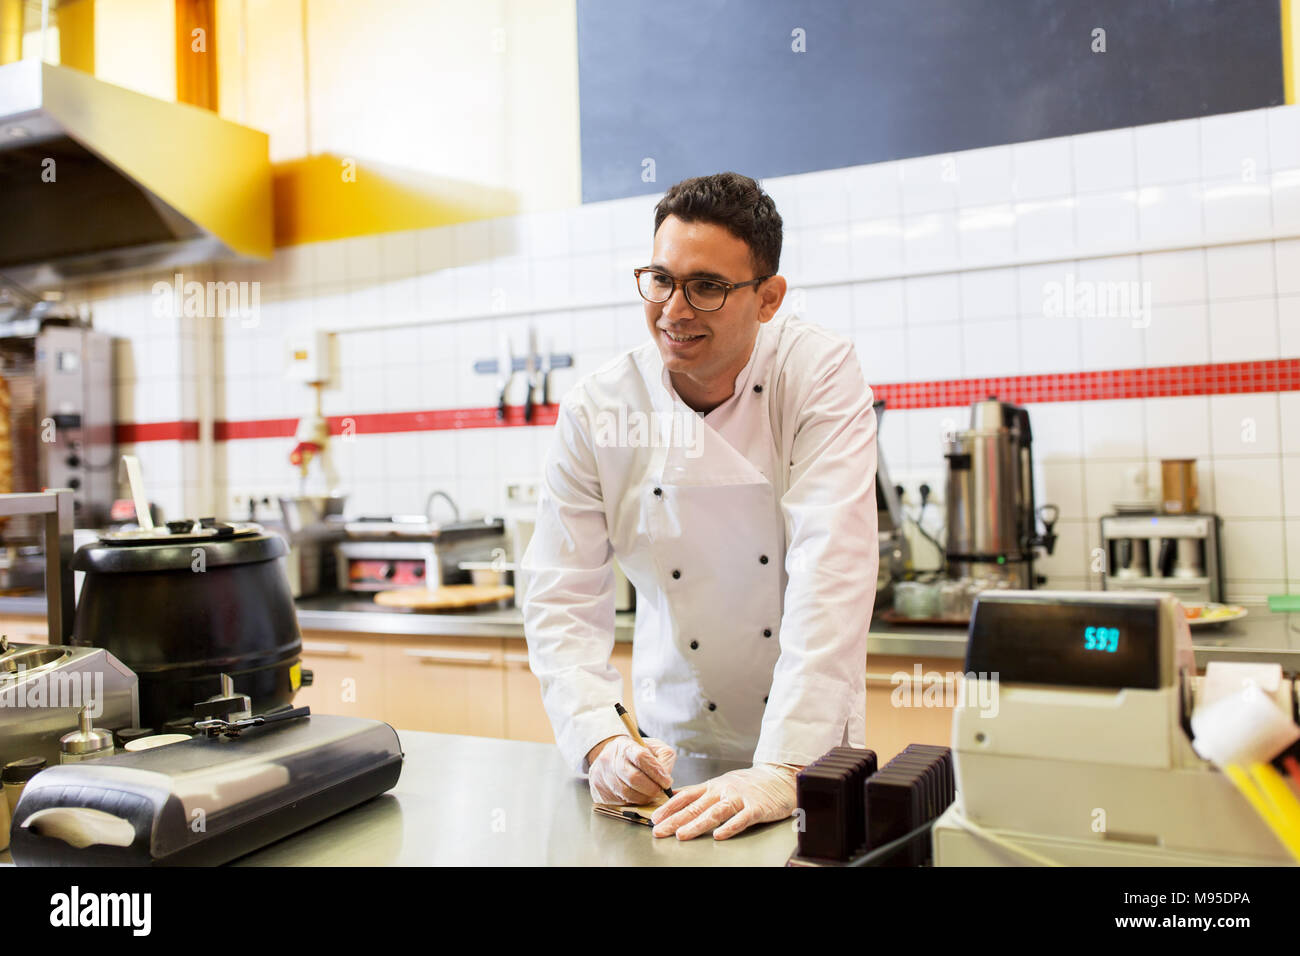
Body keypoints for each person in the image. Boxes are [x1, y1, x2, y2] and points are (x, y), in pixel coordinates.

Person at [522, 171, 878, 841]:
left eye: (707, 287)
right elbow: (561, 593)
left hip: (810, 752)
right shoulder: (601, 408)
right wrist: (600, 741)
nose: (674, 309)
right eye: (661, 279)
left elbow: (834, 568)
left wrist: (783, 766)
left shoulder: (818, 373)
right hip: (669, 756)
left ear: (768, 298)